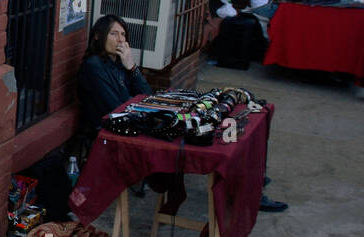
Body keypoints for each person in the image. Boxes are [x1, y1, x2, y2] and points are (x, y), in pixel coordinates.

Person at [77, 14, 288, 211]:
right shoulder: (93, 66)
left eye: (123, 34)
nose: (120, 40)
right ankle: (247, 187)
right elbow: (117, 108)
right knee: (203, 141)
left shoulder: (119, 63)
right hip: (116, 133)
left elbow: (146, 95)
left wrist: (132, 67)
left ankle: (250, 179)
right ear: (98, 36)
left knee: (222, 129)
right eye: (114, 34)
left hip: (136, 121)